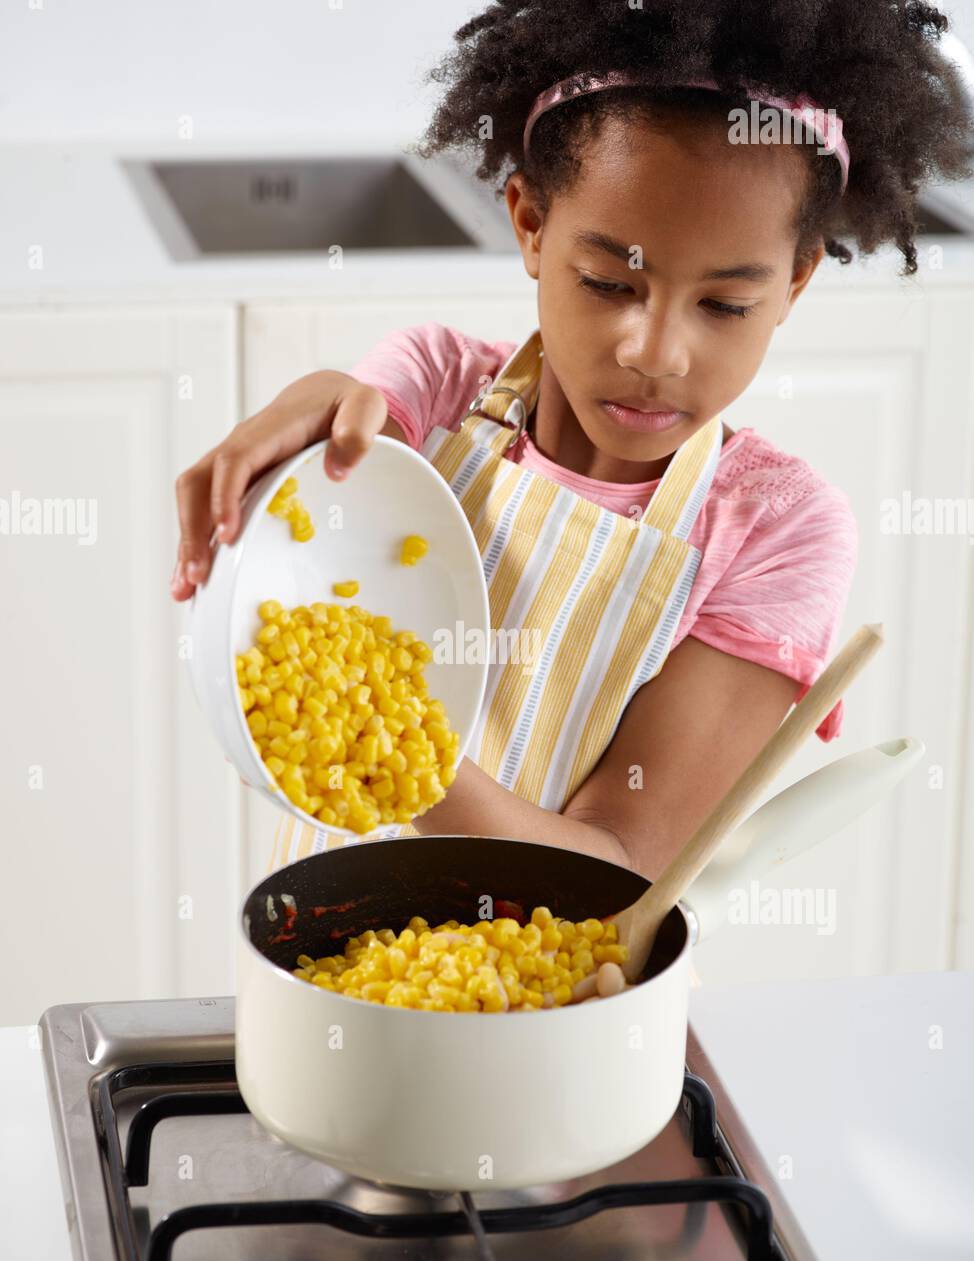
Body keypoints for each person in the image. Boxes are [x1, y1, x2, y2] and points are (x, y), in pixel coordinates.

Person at [171, 0, 972, 893]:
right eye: (607, 282)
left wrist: (387, 739)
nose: (654, 353)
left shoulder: (778, 528)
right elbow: (352, 430)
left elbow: (619, 866)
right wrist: (309, 403)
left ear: (795, 280)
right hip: (317, 981)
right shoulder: (439, 386)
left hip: (562, 1022)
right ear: (528, 223)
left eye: (724, 305)